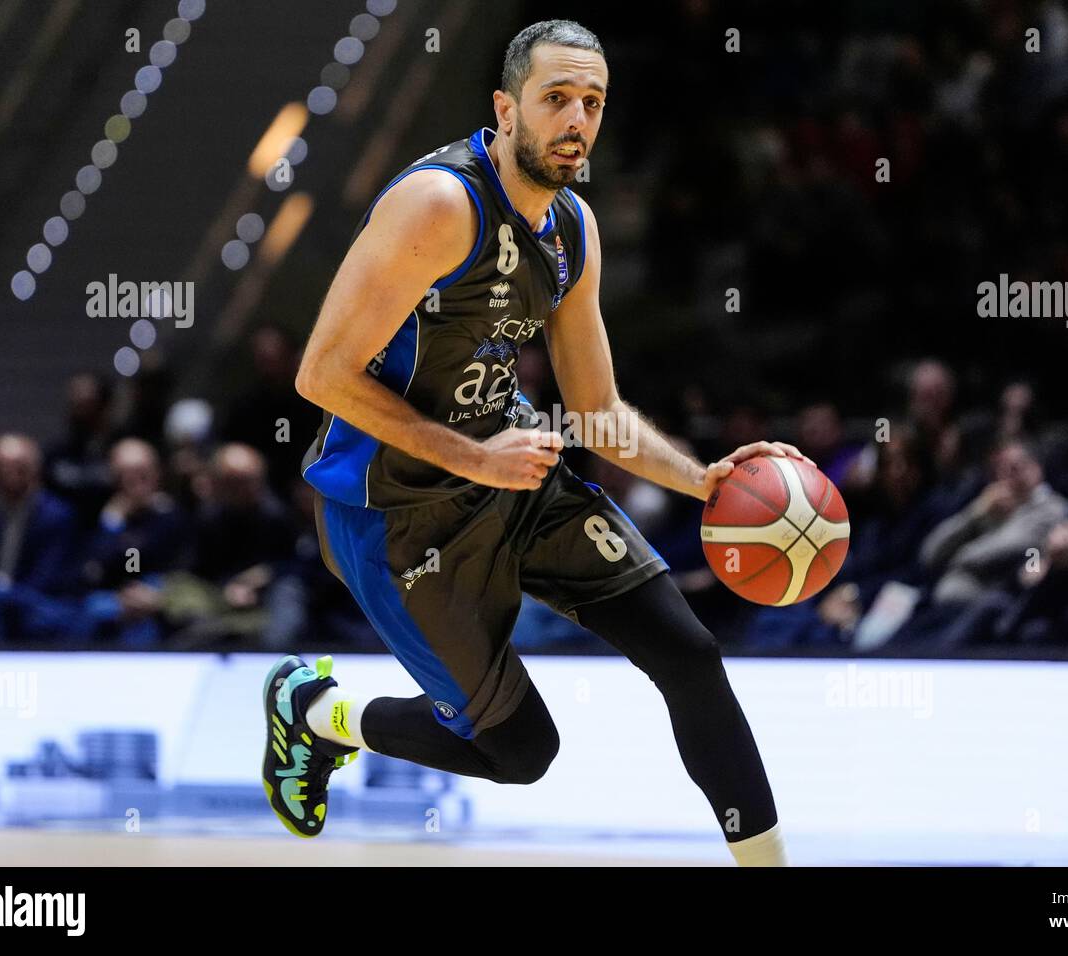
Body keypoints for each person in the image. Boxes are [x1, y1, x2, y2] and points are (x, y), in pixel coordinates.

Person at [263, 20, 802, 865]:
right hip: (395, 515)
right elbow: (322, 375)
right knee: (522, 754)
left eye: (592, 102)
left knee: (689, 654)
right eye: (557, 98)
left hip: (512, 476)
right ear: (504, 109)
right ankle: (315, 713)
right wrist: (475, 458)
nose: (577, 119)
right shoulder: (439, 206)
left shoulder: (571, 231)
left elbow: (594, 409)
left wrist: (706, 480)